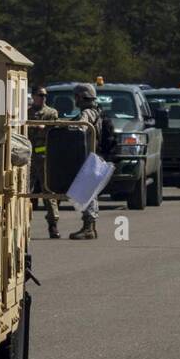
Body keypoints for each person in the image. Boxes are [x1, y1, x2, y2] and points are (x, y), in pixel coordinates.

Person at [69, 82, 108, 240]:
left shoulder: (88, 113)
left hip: (89, 157)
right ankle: (89, 227)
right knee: (90, 191)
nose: (75, 100)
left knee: (88, 192)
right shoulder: (97, 111)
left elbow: (81, 127)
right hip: (93, 156)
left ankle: (89, 228)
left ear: (82, 97)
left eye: (76, 97)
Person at [27, 87, 60, 238]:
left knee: (48, 192)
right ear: (33, 96)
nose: (43, 98)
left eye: (45, 95)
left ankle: (53, 225)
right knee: (25, 192)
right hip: (27, 158)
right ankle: (22, 224)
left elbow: (55, 130)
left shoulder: (50, 113)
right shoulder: (26, 112)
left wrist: (43, 127)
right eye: (40, 95)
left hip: (43, 158)